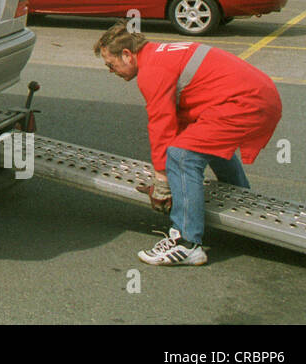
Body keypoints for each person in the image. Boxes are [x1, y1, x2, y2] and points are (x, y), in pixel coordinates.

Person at [94, 23, 282, 267]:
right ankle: (240, 198)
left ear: (127, 55)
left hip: (247, 102)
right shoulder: (161, 53)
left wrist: (162, 181)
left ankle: (186, 243)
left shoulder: (152, 70)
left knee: (181, 155)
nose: (111, 71)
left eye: (111, 64)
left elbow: (161, 125)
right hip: (257, 96)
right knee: (200, 142)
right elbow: (178, 121)